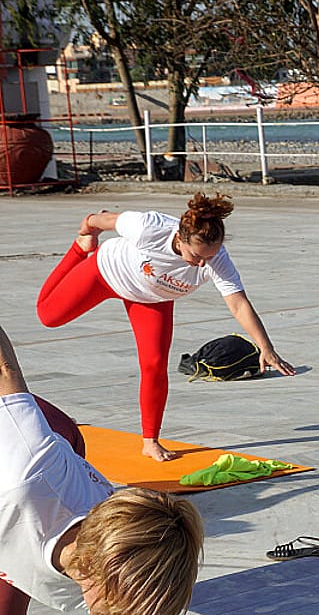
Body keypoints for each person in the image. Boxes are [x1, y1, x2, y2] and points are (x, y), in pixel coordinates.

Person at [0, 324, 204, 615]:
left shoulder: (132, 587)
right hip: (28, 441)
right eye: (125, 607)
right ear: (99, 564)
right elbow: (5, 371)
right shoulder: (22, 474)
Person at [36, 193, 296, 462]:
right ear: (180, 239)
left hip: (152, 299)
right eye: (196, 256)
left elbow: (238, 304)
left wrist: (266, 347)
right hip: (106, 272)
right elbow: (106, 220)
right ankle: (78, 249)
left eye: (211, 255)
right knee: (48, 316)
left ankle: (150, 441)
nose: (203, 263)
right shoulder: (149, 226)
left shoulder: (216, 260)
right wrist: (88, 227)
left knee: (154, 365)